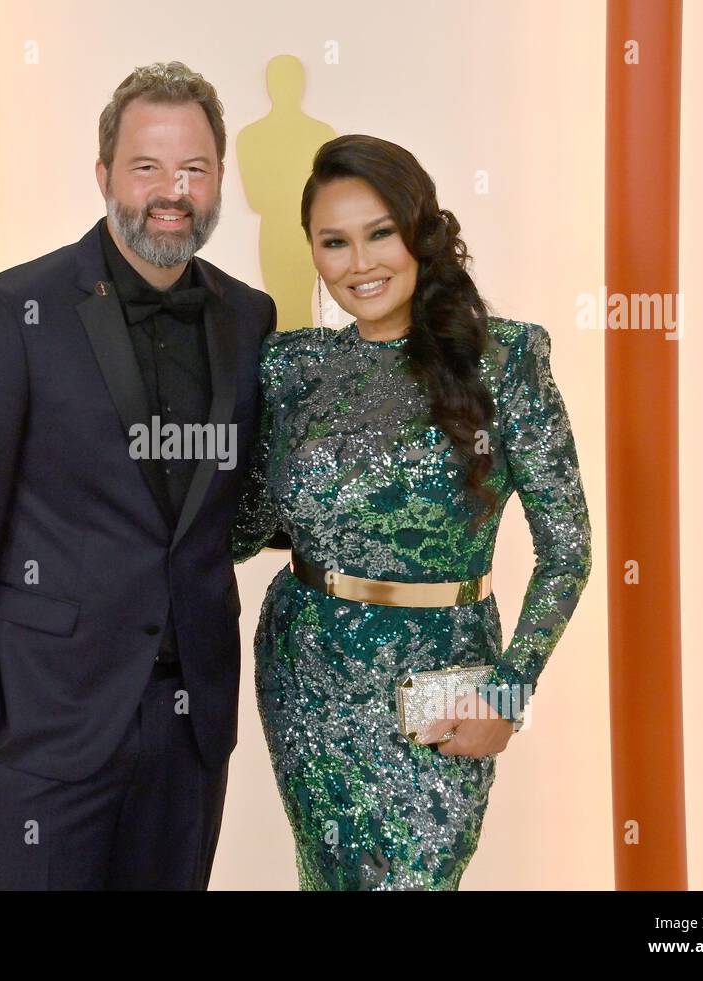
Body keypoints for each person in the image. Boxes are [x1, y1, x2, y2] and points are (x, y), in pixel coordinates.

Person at [0, 62, 276, 889]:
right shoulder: (8, 316)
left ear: (220, 178)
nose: (171, 190)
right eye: (147, 166)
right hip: (43, 732)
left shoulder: (249, 317)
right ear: (104, 173)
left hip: (190, 734)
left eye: (194, 167)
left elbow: (242, 505)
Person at [233, 134, 593, 890]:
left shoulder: (506, 359)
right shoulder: (293, 367)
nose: (359, 263)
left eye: (379, 234)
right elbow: (246, 525)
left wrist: (510, 689)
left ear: (420, 233)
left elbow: (568, 547)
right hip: (307, 672)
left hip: (445, 676)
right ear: (313, 252)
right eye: (334, 242)